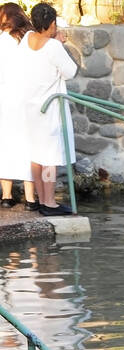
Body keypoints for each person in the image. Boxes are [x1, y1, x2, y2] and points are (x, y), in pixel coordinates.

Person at [17, 3, 76, 217]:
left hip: (30, 106)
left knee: (36, 155)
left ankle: (42, 200)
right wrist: (58, 42)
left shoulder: (26, 40)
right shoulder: (53, 46)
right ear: (52, 23)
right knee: (50, 156)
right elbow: (70, 72)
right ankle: (50, 202)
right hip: (49, 108)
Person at [0, 3, 36, 211]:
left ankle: (6, 195)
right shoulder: (29, 39)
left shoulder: (0, 40)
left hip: (4, 97)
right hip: (26, 97)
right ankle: (30, 198)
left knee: (5, 145)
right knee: (28, 145)